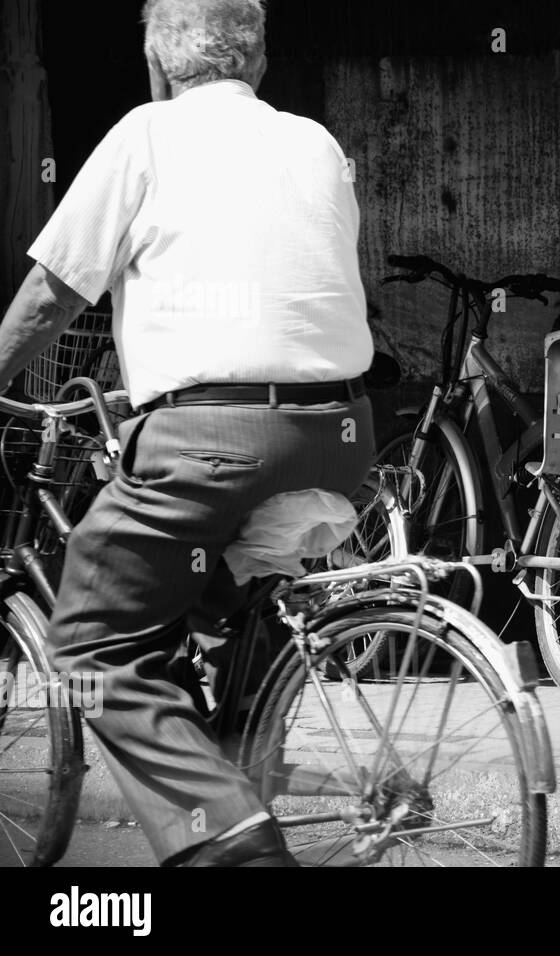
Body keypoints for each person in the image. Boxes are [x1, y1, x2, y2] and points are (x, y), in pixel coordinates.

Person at [0, 0, 375, 866]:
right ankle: (245, 757)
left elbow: (56, 292)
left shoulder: (146, 134)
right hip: (343, 433)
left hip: (212, 440)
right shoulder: (315, 142)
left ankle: (227, 836)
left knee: (93, 642)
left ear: (157, 62)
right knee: (220, 591)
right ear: (261, 59)